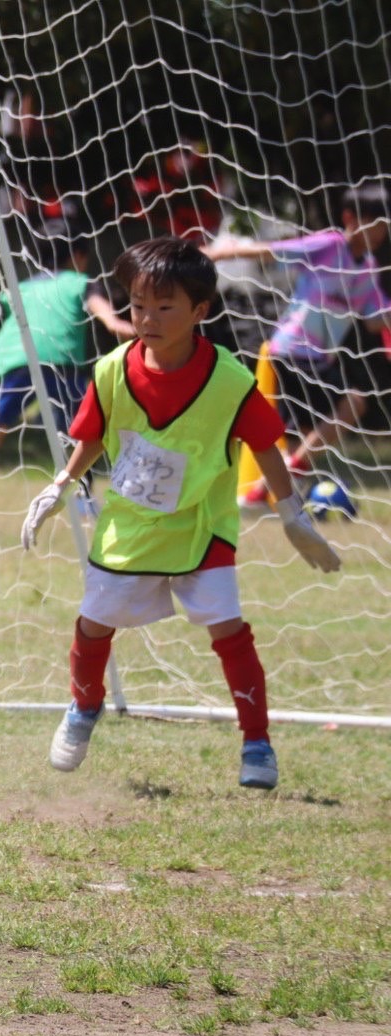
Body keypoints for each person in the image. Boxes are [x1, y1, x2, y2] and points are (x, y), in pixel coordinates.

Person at [20, 237, 341, 790]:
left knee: (228, 627)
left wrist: (292, 514)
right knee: (95, 624)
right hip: (131, 522)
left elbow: (265, 445)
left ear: (199, 311)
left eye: (164, 307)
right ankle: (83, 708)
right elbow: (92, 436)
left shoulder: (231, 382)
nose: (147, 317)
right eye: (138, 304)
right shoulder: (111, 371)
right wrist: (60, 485)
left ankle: (257, 744)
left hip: (202, 521)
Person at [204, 184, 391, 508]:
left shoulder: (368, 267)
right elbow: (274, 250)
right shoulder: (329, 246)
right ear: (350, 217)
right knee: (354, 404)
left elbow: (375, 319)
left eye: (385, 225)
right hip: (293, 349)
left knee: (303, 434)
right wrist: (218, 252)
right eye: (376, 222)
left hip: (318, 358)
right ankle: (277, 483)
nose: (381, 231)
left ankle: (260, 495)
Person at [0, 231, 136, 516]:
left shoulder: (15, 289)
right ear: (79, 257)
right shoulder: (82, 283)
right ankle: (85, 502)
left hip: (17, 363)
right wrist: (128, 331)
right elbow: (110, 320)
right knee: (80, 436)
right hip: (62, 363)